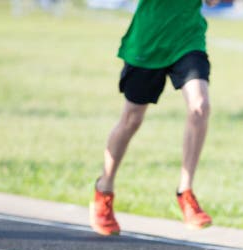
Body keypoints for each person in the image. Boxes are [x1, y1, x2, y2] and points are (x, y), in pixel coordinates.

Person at [91, 0, 220, 236]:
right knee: (132, 119)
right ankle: (104, 189)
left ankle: (186, 192)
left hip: (187, 39)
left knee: (199, 105)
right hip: (148, 41)